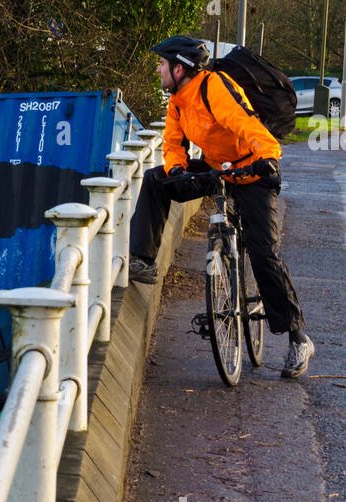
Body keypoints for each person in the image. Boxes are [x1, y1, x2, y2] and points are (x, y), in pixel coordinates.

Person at [128, 34, 314, 380]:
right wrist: (176, 169)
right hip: (218, 167)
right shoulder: (177, 101)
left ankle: (298, 337)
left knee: (263, 252)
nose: (157, 69)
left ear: (180, 68)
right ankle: (143, 261)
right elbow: (172, 142)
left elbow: (244, 123)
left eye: (162, 64)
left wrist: (269, 158)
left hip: (253, 168)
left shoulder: (214, 86)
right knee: (156, 180)